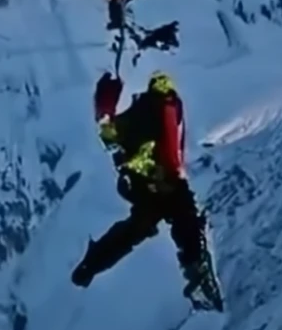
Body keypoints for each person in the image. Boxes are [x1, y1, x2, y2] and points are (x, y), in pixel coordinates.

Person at [70, 70, 222, 310]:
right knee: (177, 217)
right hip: (159, 182)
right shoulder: (162, 108)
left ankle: (92, 263)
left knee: (141, 226)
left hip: (146, 183)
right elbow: (171, 151)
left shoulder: (139, 115)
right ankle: (197, 270)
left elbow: (114, 136)